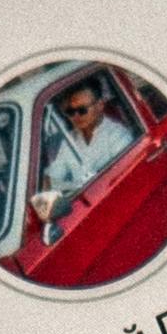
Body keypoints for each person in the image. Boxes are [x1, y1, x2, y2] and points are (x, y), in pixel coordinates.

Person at [31, 70, 140, 227]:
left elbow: (119, 183)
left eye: (82, 110)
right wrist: (43, 182)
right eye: (70, 112)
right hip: (82, 210)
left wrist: (61, 185)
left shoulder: (118, 136)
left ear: (100, 106)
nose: (76, 116)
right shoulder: (70, 139)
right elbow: (52, 176)